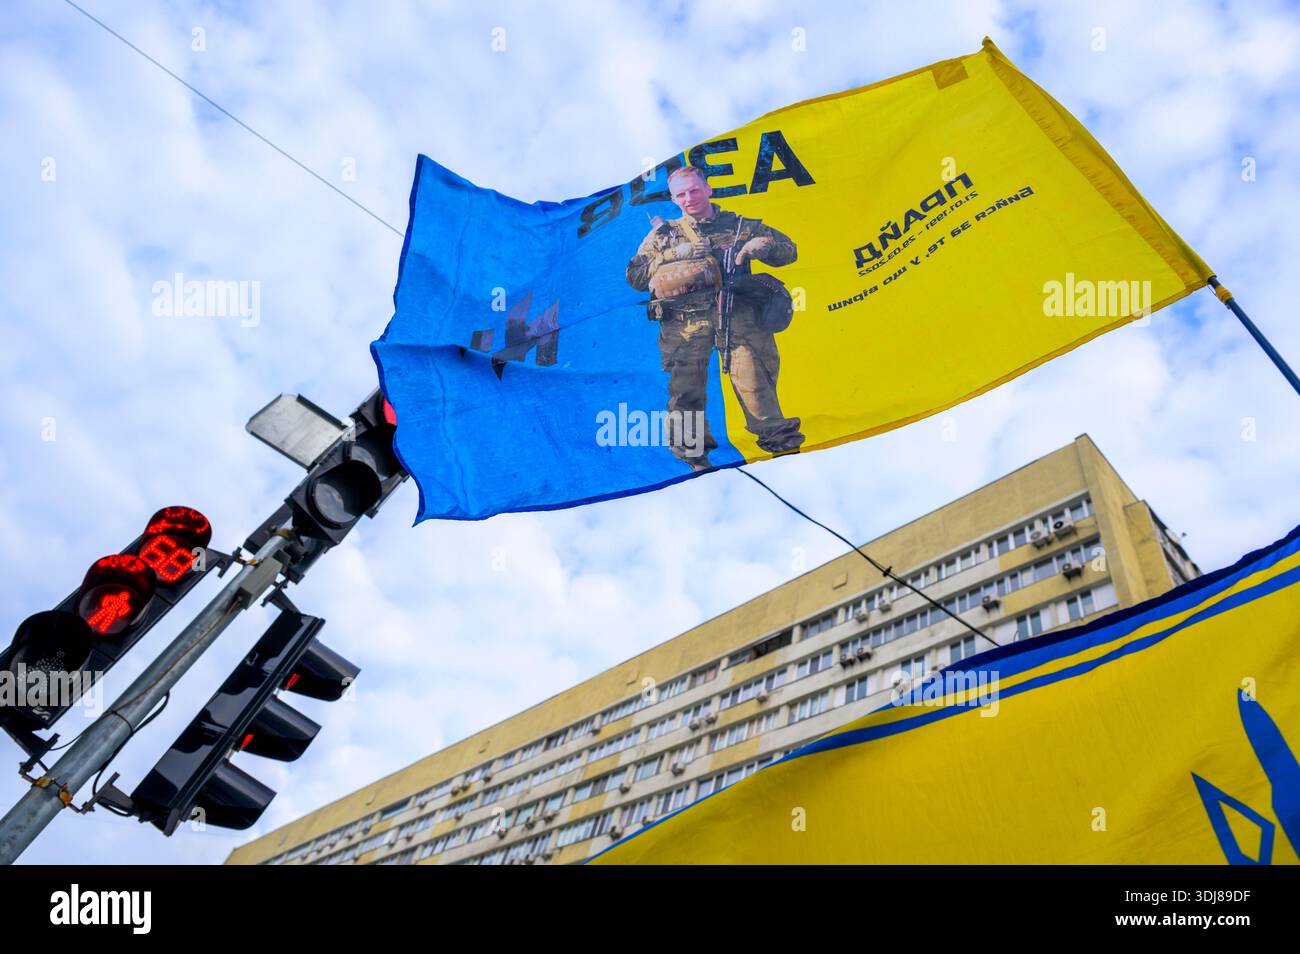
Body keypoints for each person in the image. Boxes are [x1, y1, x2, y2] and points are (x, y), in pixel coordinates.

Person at [626, 165, 804, 470]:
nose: (689, 198)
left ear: (708, 189)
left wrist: (762, 246)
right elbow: (635, 277)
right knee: (686, 392)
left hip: (738, 317)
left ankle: (779, 446)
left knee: (755, 382)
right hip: (684, 325)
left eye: (695, 190)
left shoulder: (741, 226)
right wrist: (675, 254)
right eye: (681, 194)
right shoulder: (662, 236)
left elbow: (789, 252)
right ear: (673, 199)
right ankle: (693, 458)